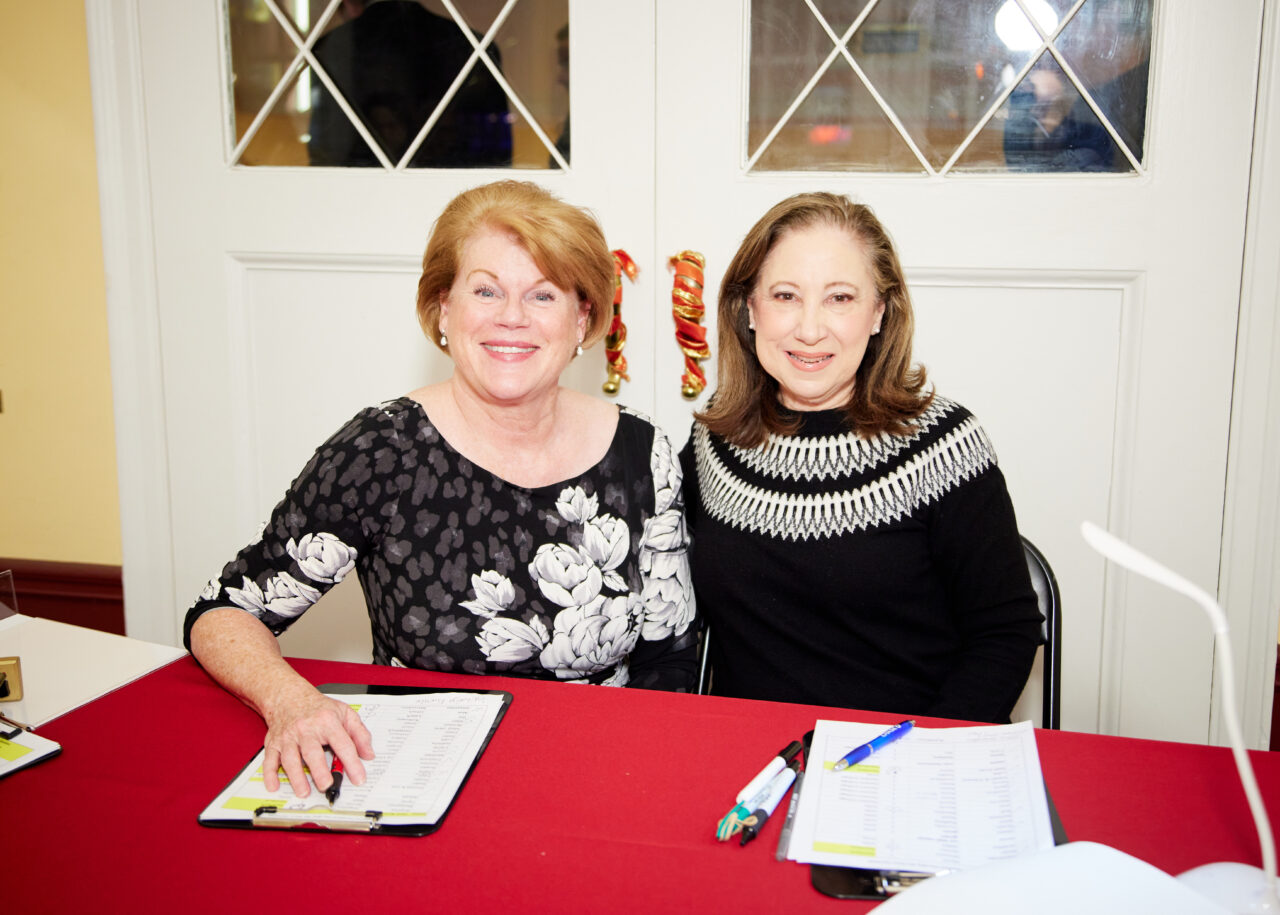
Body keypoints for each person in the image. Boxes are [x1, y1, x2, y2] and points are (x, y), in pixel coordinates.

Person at [186, 180, 697, 798]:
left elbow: (669, 659)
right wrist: (291, 702)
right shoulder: (383, 450)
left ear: (582, 318)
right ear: (442, 310)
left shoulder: (643, 452)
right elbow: (223, 614)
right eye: (485, 290)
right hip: (422, 783)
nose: (513, 316)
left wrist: (631, 782)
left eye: (543, 293)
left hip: (596, 775)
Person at [679, 192, 1041, 723]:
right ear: (748, 308)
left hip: (905, 755)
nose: (808, 328)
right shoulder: (717, 433)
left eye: (840, 298)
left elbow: (1004, 631)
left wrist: (925, 753)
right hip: (753, 758)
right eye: (784, 295)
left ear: (879, 313)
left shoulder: (944, 444)